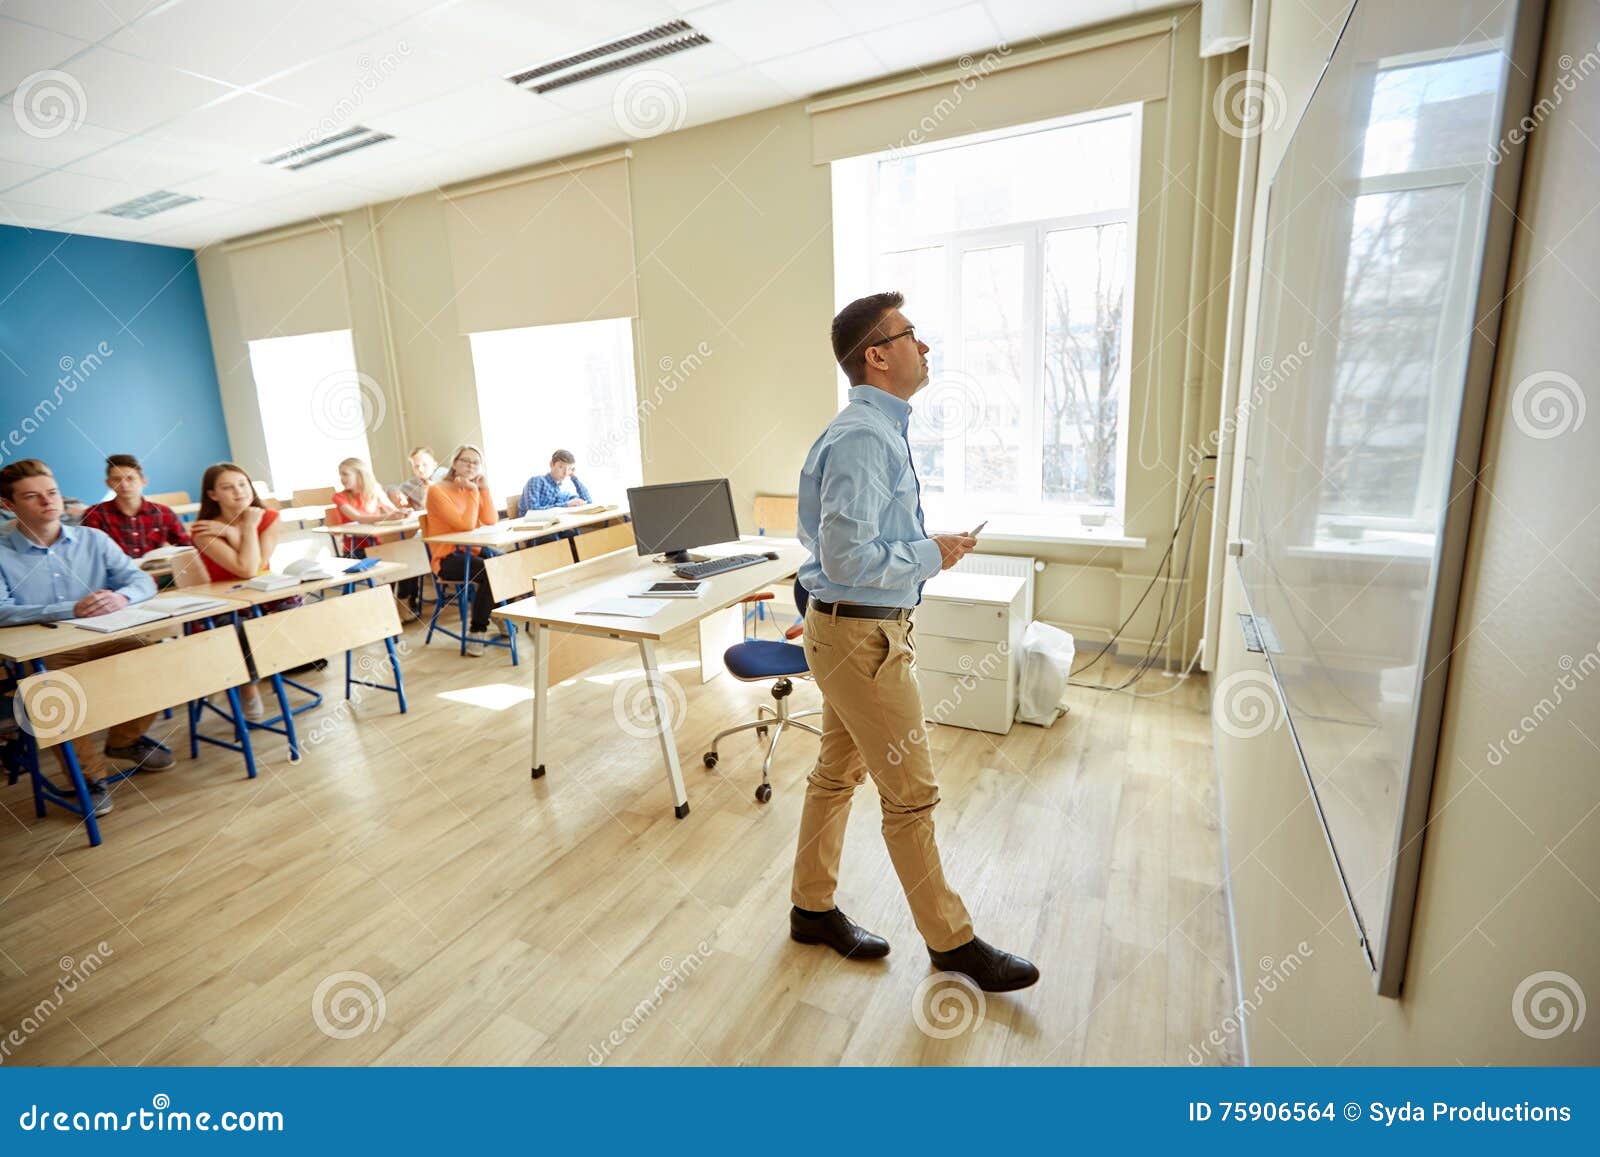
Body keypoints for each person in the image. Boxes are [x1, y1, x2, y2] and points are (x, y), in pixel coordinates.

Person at [788, 291, 1039, 994]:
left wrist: (929, 547)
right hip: (861, 639)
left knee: (835, 775)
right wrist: (928, 554)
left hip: (850, 632)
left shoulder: (868, 429)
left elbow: (835, 544)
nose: (924, 348)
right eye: (911, 336)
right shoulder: (866, 435)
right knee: (911, 796)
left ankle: (811, 907)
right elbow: (845, 559)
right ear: (877, 354)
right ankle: (951, 940)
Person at [0, 459, 174, 816]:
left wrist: (122, 597)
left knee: (159, 660)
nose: (49, 502)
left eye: (52, 493)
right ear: (8, 505)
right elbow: (1, 610)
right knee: (52, 689)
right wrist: (69, 609)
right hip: (41, 649)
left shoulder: (93, 539)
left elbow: (140, 581)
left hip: (100, 635)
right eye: (33, 497)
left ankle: (125, 742)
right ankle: (89, 778)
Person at [191, 462, 287, 720]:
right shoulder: (203, 530)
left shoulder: (269, 518)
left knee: (293, 609)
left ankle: (281, 665)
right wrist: (243, 529)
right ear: (213, 495)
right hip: (225, 605)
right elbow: (247, 569)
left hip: (263, 595)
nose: (239, 491)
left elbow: (257, 566)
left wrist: (232, 533)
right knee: (241, 626)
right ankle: (248, 689)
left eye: (243, 484)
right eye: (227, 487)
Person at [426, 443, 501, 657]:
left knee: (505, 563)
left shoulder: (471, 488)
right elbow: (465, 525)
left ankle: (496, 614)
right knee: (488, 571)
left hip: (472, 552)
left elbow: (490, 519)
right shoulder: (437, 489)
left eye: (475, 462)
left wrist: (483, 489)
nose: (470, 465)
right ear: (454, 463)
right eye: (465, 461)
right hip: (447, 558)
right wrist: (473, 491)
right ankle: (478, 630)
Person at [79, 453, 191, 559]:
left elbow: (186, 547)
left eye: (130, 478)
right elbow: (89, 555)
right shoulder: (94, 514)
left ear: (144, 481)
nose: (124, 485)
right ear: (108, 483)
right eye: (116, 479)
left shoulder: (164, 512)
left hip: (159, 575)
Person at [328, 457, 405, 553]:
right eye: (340, 475)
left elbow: (392, 510)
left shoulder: (375, 490)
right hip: (355, 550)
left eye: (345, 474)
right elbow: (359, 518)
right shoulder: (339, 497)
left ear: (360, 475)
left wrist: (403, 513)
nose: (342, 479)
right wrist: (388, 517)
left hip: (378, 544)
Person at [520, 449, 592, 513]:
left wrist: (573, 477)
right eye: (561, 467)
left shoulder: (559, 492)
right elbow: (533, 511)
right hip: (533, 526)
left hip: (555, 526)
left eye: (569, 469)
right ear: (551, 464)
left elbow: (587, 501)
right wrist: (565, 505)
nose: (565, 473)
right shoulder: (536, 481)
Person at [386, 446, 446, 511]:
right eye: (416, 466)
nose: (420, 469)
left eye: (424, 464)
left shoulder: (445, 475)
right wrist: (397, 493)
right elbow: (393, 490)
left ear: (434, 465)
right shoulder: (408, 486)